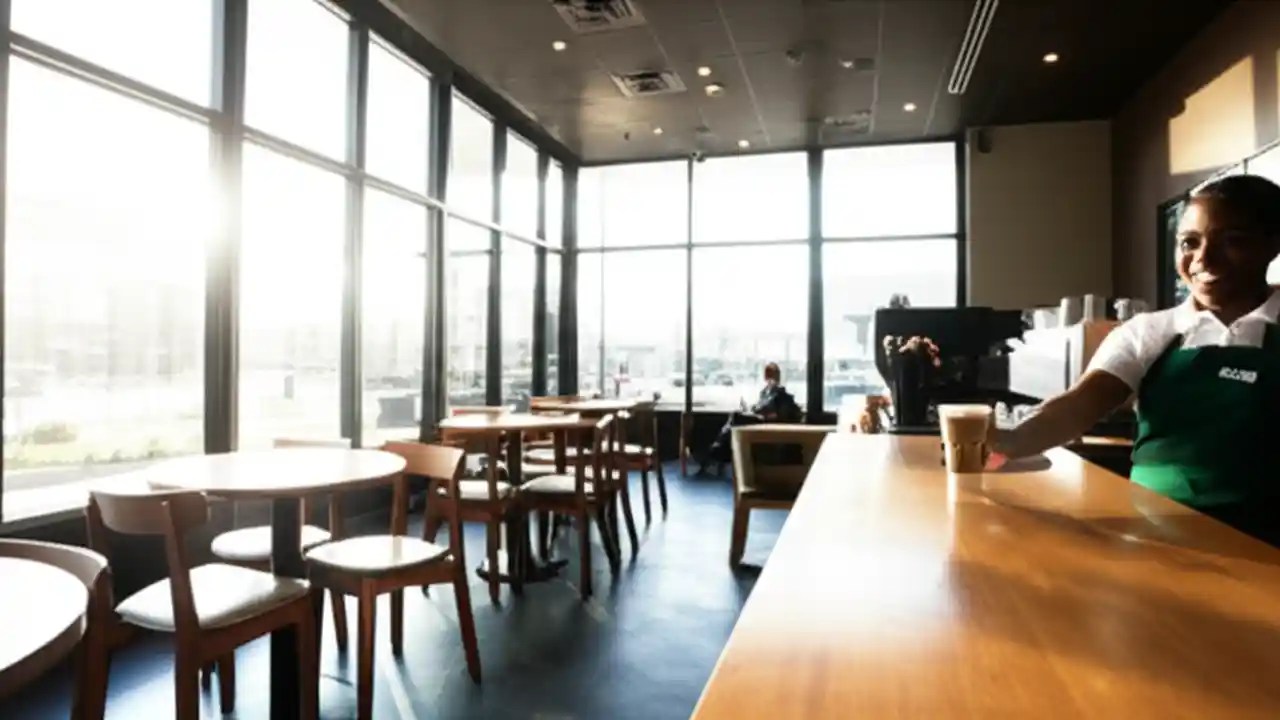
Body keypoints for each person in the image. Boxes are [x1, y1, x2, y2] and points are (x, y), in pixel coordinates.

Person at [992, 174, 1280, 547]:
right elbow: (1080, 405)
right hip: (1155, 537)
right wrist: (1006, 442)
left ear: (1272, 245)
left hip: (1266, 542)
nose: (1203, 258)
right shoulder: (1147, 332)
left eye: (1233, 241)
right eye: (1189, 243)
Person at [696, 362, 802, 476]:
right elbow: (758, 406)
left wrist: (761, 414)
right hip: (758, 419)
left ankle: (715, 450)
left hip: (765, 423)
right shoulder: (765, 392)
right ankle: (717, 449)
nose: (769, 378)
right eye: (768, 375)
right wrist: (751, 409)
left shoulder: (781, 394)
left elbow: (778, 415)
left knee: (735, 418)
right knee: (734, 422)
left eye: (772, 375)